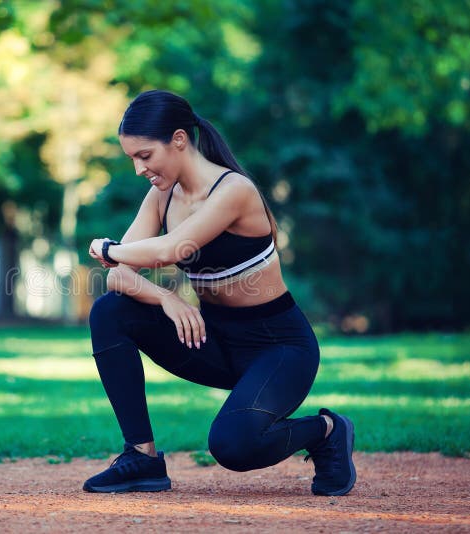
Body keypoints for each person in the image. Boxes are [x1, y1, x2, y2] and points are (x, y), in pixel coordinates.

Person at [84, 89, 356, 497]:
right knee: (110, 311)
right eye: (132, 159)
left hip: (279, 348)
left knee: (233, 445)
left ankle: (326, 431)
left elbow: (172, 249)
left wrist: (107, 249)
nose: (139, 169)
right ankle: (141, 456)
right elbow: (119, 279)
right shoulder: (163, 194)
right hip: (213, 339)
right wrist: (167, 299)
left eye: (144, 156)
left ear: (178, 139)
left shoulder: (234, 190)